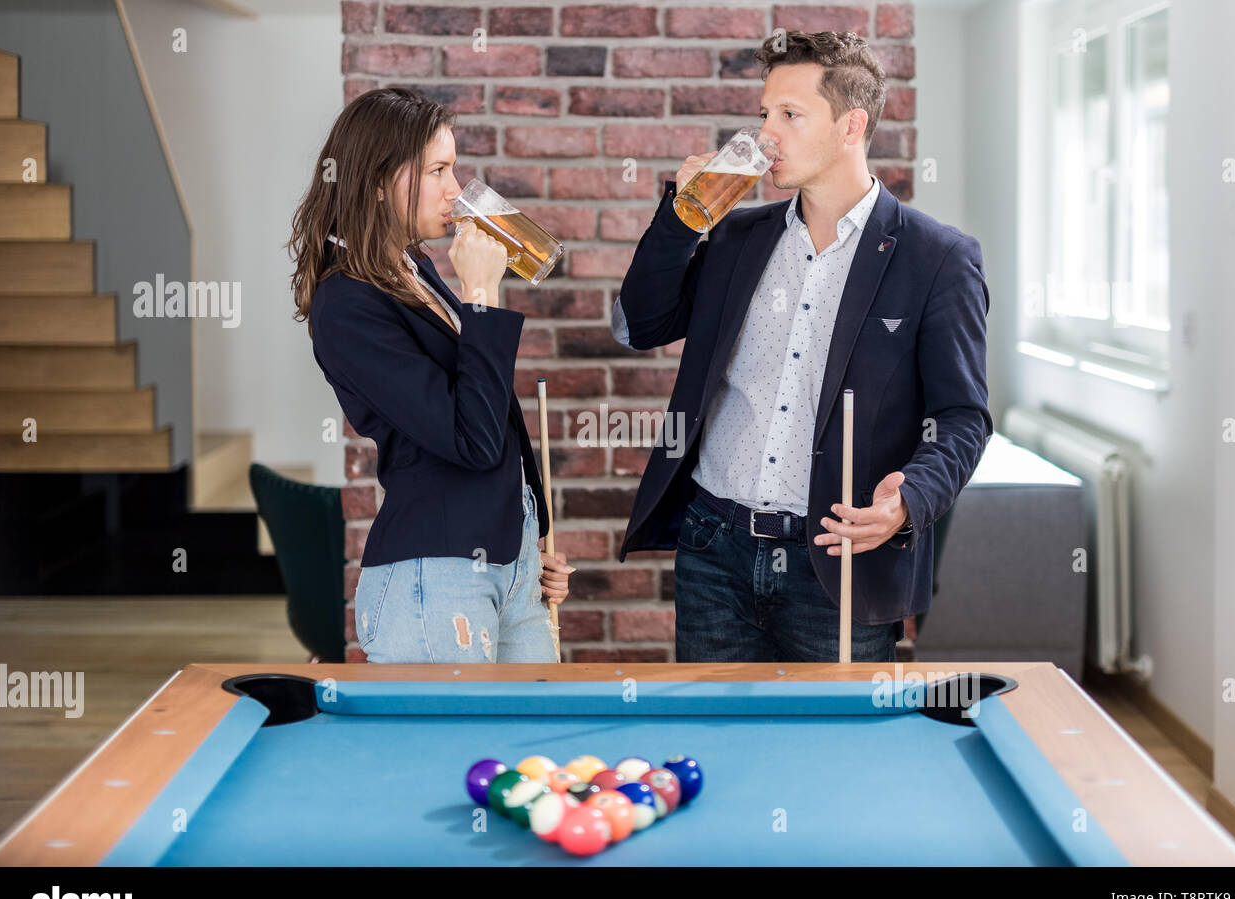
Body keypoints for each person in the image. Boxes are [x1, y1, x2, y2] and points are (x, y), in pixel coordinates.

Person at [612, 31, 992, 663]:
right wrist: (680, 219)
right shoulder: (737, 237)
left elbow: (963, 417)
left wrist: (911, 499)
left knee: (838, 758)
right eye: (765, 114)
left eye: (790, 115)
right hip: (713, 553)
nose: (767, 135)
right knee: (717, 744)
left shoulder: (938, 258)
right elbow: (640, 324)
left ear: (851, 126)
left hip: (839, 562)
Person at [289, 88, 573, 664]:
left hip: (505, 561)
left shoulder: (412, 268)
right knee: (455, 753)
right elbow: (470, 440)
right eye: (438, 170)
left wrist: (520, 537)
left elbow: (485, 410)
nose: (456, 190)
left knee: (528, 749)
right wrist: (482, 297)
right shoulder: (346, 304)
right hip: (434, 577)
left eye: (454, 168)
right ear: (375, 180)